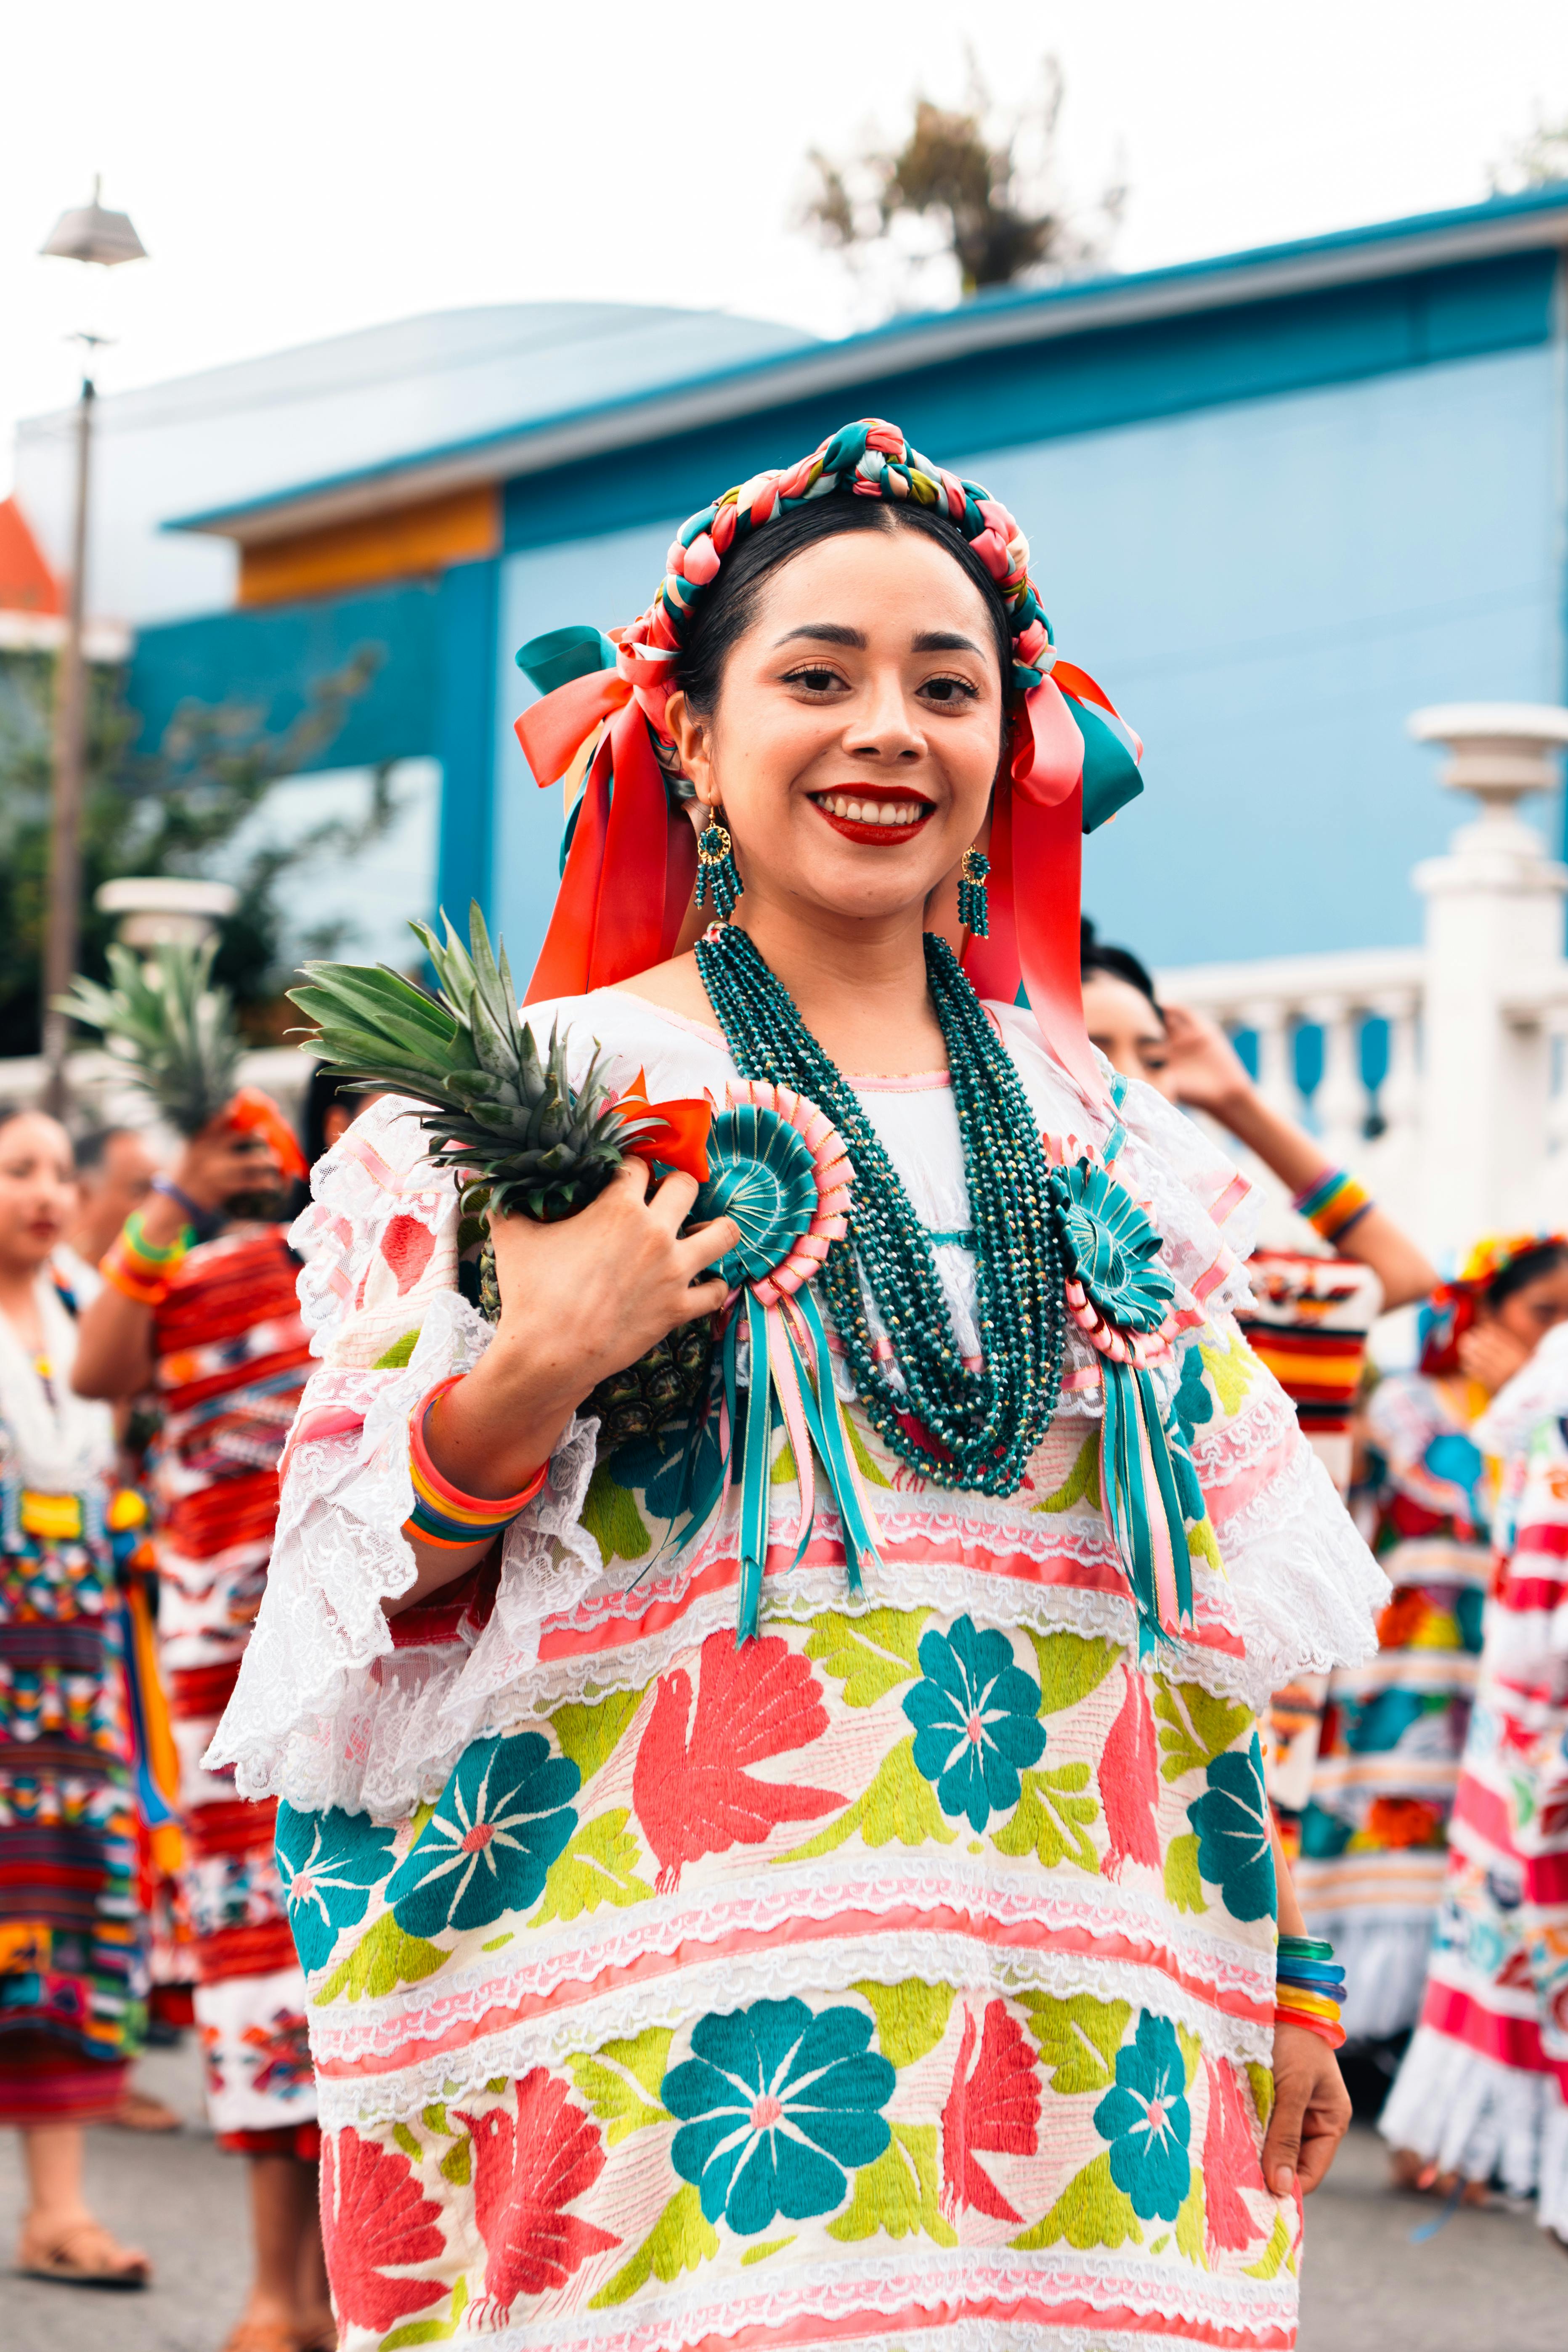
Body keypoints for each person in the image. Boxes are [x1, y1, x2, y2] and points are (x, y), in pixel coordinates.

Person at [209, 419, 1387, 2350]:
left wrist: (1294, 1976)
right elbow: (355, 1604)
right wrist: (544, 1356)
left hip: (1085, 2034)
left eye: (948, 685)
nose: (888, 731)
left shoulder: (1106, 1126)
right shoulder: (540, 1090)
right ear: (685, 736)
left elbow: (1225, 1619)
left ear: (1012, 748)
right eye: (817, 676)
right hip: (692, 2060)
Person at [73, 1100, 329, 2352]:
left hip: (397, 1656)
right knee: (257, 1963)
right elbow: (96, 1369)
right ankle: (281, 2296)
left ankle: (380, 2296)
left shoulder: (436, 1263)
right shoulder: (209, 1271)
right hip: (231, 1679)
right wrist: (173, 1198)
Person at [1301, 1237, 1568, 2056]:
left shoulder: (1543, 1419)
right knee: (1374, 1831)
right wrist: (1512, 1403)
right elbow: (1465, 1491)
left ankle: (1425, 2053)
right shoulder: (1409, 1406)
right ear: (1482, 1311)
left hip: (1490, 1691)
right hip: (1394, 1680)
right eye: (1542, 1313)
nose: (1552, 1333)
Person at [0, 1108, 151, 2286]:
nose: (46, 1192)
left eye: (59, 1171)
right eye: (18, 1170)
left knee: (55, 1905)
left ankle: (56, 2211)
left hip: (69, 1658)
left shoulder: (80, 1311)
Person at [1378, 1322, 1568, 2226]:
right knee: (1505, 1921)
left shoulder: (1540, 1390)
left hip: (1518, 1708)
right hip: (1524, 1716)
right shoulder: (1531, 1396)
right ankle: (1474, 2142)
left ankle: (1487, 2144)